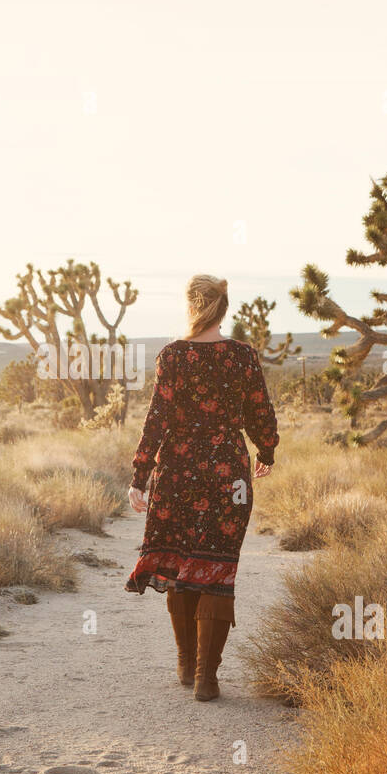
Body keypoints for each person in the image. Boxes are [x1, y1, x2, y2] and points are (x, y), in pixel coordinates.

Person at [125, 274, 279, 701]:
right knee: (217, 569)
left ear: (192, 307)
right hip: (228, 476)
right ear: (224, 308)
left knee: (180, 565)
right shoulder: (243, 357)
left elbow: (157, 419)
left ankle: (186, 665)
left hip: (176, 473)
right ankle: (207, 678)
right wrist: (266, 450)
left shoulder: (172, 356)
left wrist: (140, 475)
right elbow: (260, 414)